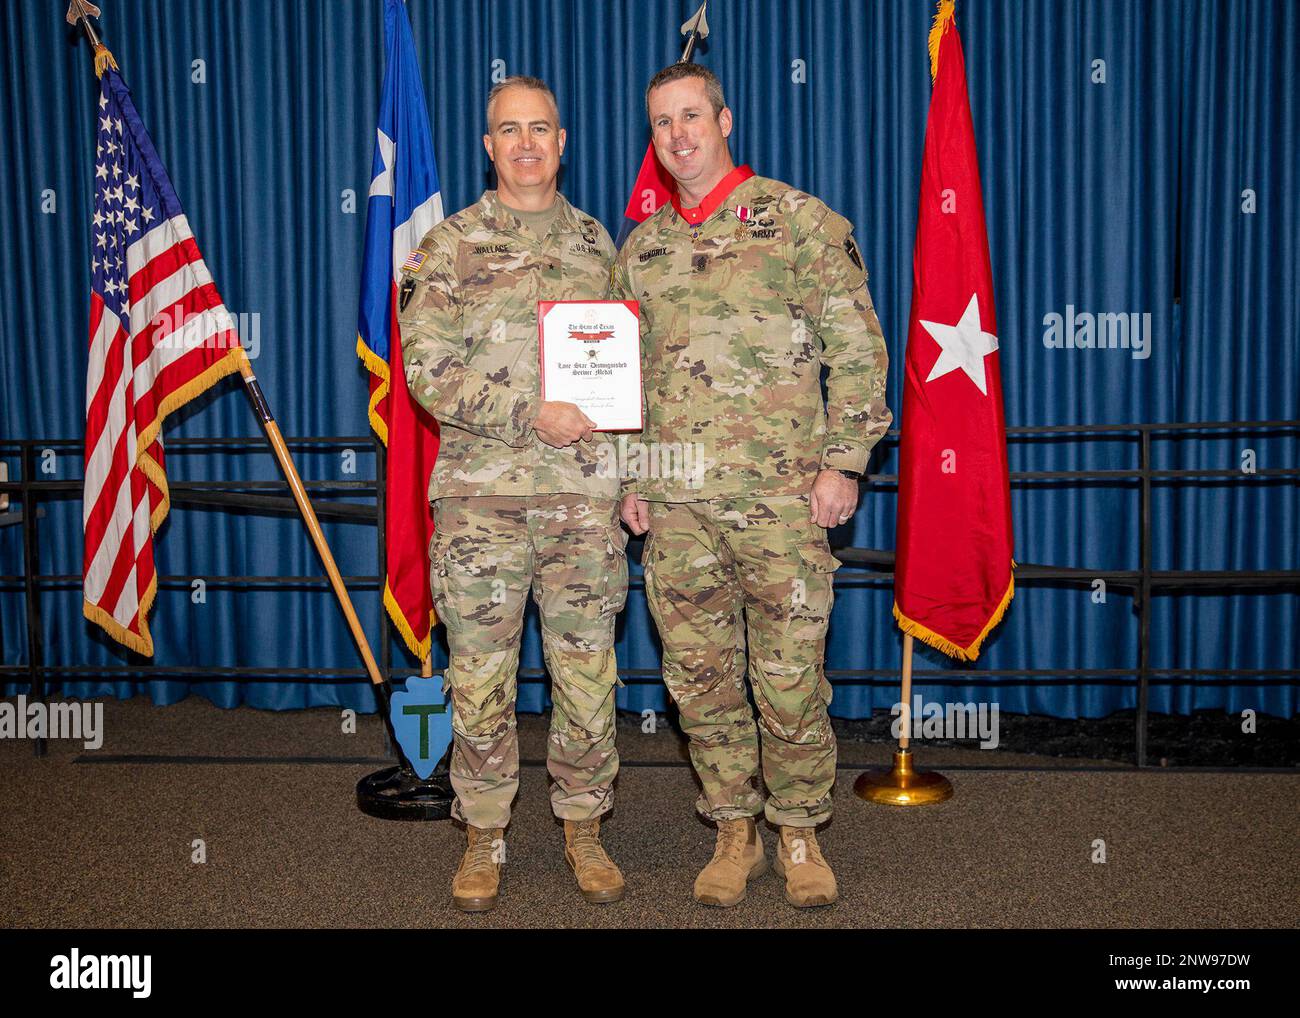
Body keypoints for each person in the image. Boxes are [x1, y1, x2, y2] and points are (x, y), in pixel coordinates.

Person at [613, 63, 891, 909]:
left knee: (791, 675)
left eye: (692, 116)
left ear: (724, 118)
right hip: (679, 510)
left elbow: (860, 351)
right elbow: (621, 379)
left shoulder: (800, 221)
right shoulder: (644, 249)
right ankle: (734, 826)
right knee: (699, 676)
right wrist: (632, 476)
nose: (679, 135)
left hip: (783, 502)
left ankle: (800, 828)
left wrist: (844, 462)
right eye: (662, 123)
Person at [398, 76, 626, 912]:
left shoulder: (602, 245)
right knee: (482, 677)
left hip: (582, 501)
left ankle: (583, 823)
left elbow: (631, 379)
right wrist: (531, 413)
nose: (526, 144)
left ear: (561, 143)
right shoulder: (447, 247)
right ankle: (485, 830)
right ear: (488, 147)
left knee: (587, 672)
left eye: (541, 129)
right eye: (509, 131)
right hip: (479, 505)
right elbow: (427, 375)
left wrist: (628, 477)